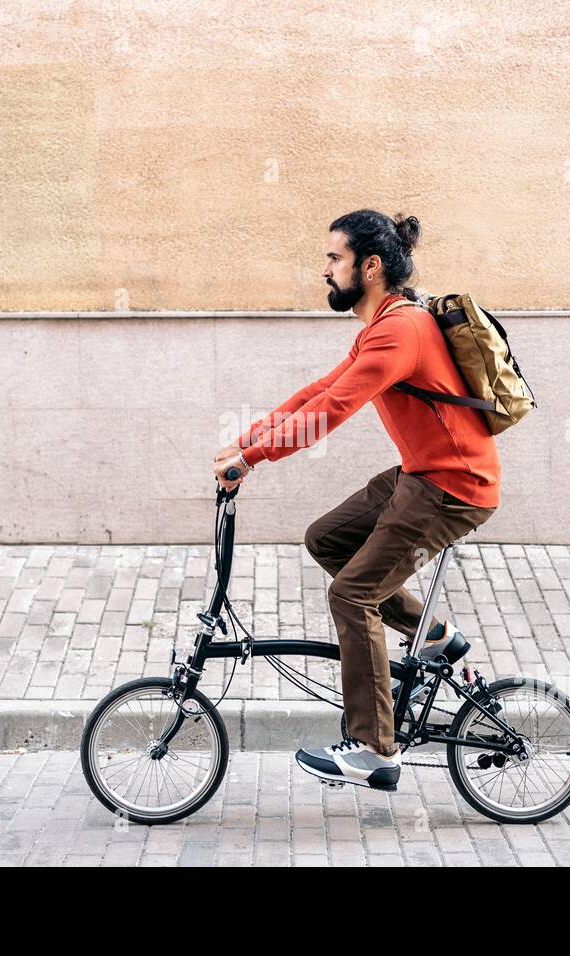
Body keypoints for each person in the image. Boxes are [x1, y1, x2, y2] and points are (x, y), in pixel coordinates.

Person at [212, 209, 500, 792]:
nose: (324, 270)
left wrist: (254, 459)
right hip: (424, 474)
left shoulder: (401, 330)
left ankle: (374, 748)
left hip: (453, 488)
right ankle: (436, 637)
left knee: (351, 596)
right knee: (328, 539)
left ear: (370, 266)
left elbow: (331, 413)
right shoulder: (384, 324)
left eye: (334, 259)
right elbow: (319, 391)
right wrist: (246, 439)